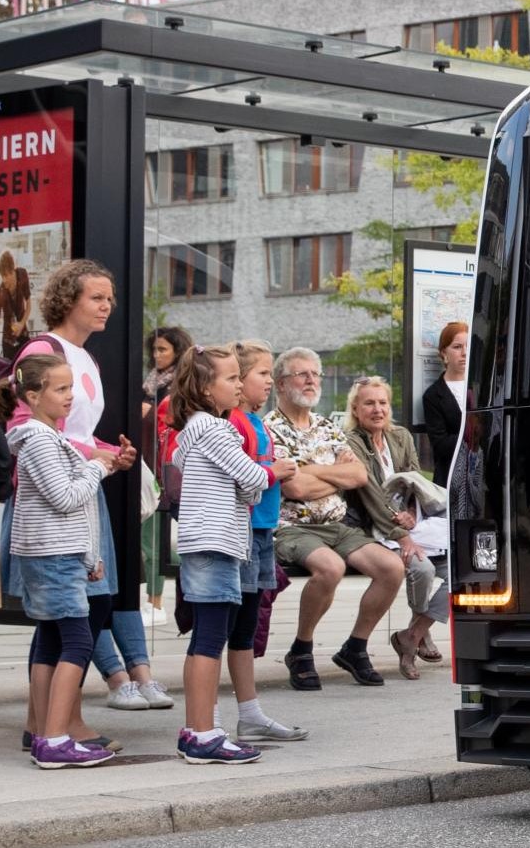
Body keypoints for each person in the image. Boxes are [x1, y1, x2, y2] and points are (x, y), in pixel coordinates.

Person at [0, 260, 159, 750]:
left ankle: (49, 722)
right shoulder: (44, 349)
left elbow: (76, 436)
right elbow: (31, 430)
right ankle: (56, 724)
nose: (107, 304)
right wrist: (99, 459)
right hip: (56, 505)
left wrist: (110, 454)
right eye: (97, 296)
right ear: (69, 299)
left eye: (109, 296)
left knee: (83, 610)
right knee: (71, 617)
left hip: (79, 494)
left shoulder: (84, 357)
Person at [265, 347, 413, 691]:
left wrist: (313, 470)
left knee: (391, 568)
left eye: (315, 374)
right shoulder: (270, 428)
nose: (311, 381)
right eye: (302, 374)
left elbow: (359, 476)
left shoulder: (326, 426)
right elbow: (296, 487)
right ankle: (301, 649)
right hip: (292, 527)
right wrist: (333, 473)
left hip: (338, 524)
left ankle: (355, 647)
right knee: (330, 568)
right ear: (281, 384)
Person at [0, 352, 118, 769]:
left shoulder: (50, 437)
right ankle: (55, 737)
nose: (70, 397)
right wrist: (98, 468)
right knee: (79, 641)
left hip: (62, 553)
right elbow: (65, 498)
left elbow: (70, 509)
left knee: (51, 641)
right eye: (61, 389)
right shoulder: (39, 440)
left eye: (70, 387)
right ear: (33, 395)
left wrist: (90, 556)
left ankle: (45, 732)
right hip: (52, 556)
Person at [169, 345, 273, 764]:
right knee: (210, 638)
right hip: (214, 543)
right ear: (205, 389)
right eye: (230, 379)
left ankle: (199, 729)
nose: (238, 385)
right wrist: (271, 471)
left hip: (210, 542)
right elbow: (252, 478)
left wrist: (252, 480)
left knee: (207, 637)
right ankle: (201, 733)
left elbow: (245, 486)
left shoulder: (196, 430)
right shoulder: (214, 430)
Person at [223, 340, 308, 741]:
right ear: (238, 380)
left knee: (248, 625)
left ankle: (250, 711)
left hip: (261, 530)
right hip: (244, 530)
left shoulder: (255, 422)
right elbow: (244, 477)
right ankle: (226, 715)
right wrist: (277, 471)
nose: (268, 382)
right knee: (233, 624)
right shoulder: (235, 422)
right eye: (261, 373)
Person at [344, 378, 448, 678]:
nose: (377, 409)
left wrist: (412, 514)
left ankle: (413, 634)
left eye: (383, 403)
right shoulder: (352, 441)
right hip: (375, 528)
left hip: (412, 524)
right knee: (423, 570)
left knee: (464, 573)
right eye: (369, 403)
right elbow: (371, 494)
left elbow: (417, 482)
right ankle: (416, 639)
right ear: (355, 408)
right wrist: (401, 532)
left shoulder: (401, 436)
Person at [138, 326, 192, 625]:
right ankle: (152, 600)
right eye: (155, 350)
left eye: (163, 350)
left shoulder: (179, 388)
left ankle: (156, 602)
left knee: (159, 544)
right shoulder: (149, 384)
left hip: (170, 470)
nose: (157, 355)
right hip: (149, 466)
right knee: (150, 541)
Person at [419, 323, 468, 481]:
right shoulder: (433, 395)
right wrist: (472, 437)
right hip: (451, 478)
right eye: (457, 347)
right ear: (444, 353)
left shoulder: (484, 387)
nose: (465, 353)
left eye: (468, 346)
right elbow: (440, 445)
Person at [0, 251, 29, 358]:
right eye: (2, 276)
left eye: (5, 275)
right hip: (7, 341)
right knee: (10, 373)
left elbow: (29, 304)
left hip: (23, 335)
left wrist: (22, 324)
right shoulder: (1, 290)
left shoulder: (22, 275)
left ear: (12, 271)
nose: (3, 280)